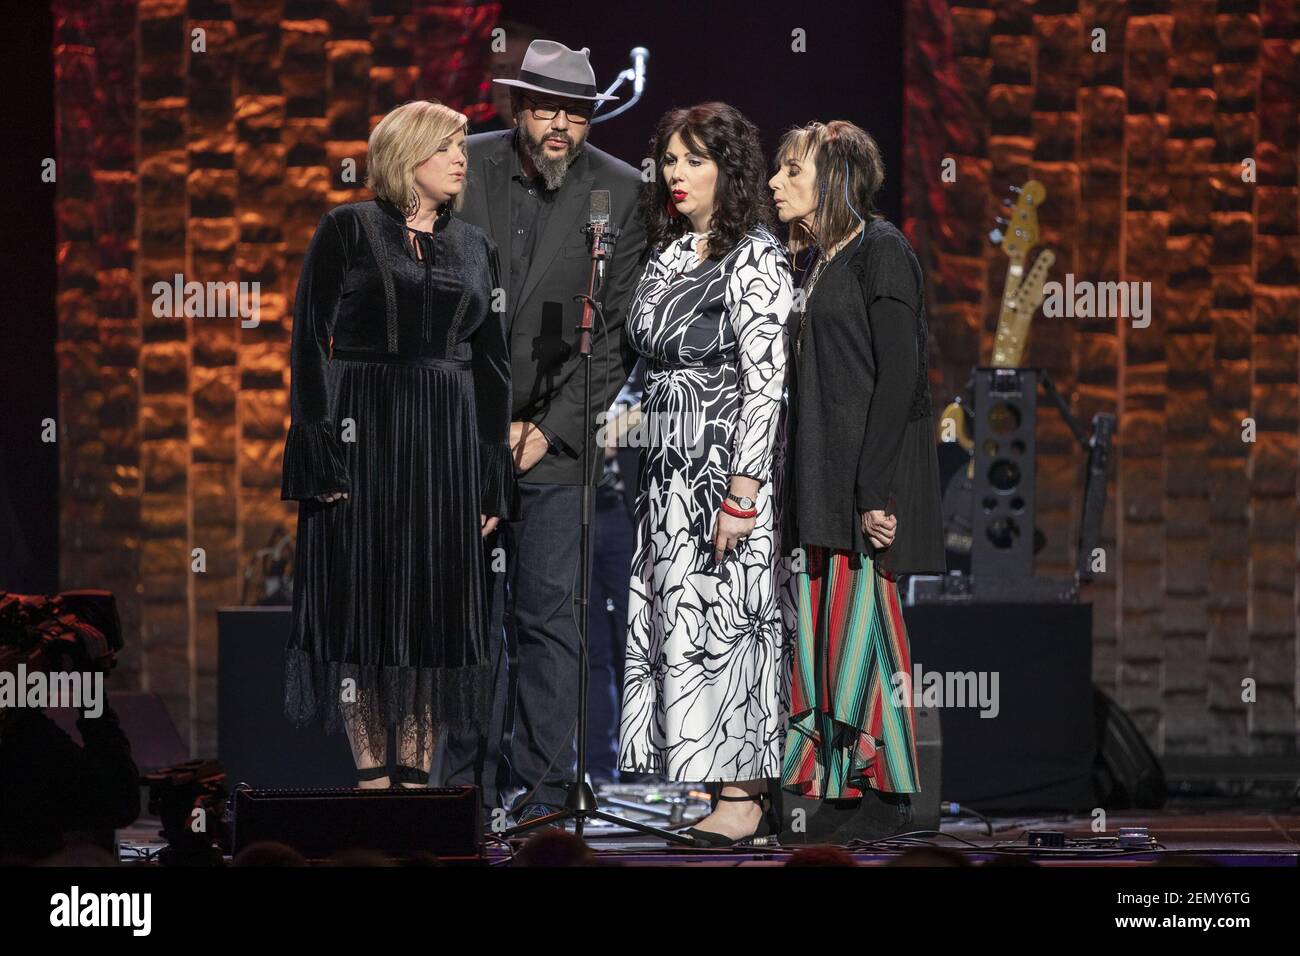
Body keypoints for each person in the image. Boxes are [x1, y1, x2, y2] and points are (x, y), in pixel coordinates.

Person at [438, 40, 646, 824]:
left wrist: (549, 429)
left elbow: (617, 335)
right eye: (549, 109)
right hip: (464, 436)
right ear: (518, 108)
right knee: (466, 616)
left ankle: (545, 793)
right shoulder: (465, 166)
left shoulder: (620, 193)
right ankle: (460, 787)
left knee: (549, 617)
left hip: (559, 446)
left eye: (578, 112)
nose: (562, 125)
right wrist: (483, 430)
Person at [280, 100, 516, 790]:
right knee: (366, 609)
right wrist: (320, 450)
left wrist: (490, 478)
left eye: (464, 148)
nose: (461, 160)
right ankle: (372, 785)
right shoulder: (348, 229)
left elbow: (495, 370)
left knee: (430, 614)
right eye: (448, 147)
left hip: (445, 447)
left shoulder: (477, 247)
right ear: (407, 154)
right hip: (364, 437)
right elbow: (309, 342)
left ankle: (414, 786)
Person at [618, 102, 793, 846]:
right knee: (681, 627)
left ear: (730, 169)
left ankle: (745, 798)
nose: (676, 174)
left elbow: (769, 381)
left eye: (695, 159)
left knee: (731, 625)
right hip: (665, 480)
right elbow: (645, 362)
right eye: (669, 160)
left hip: (723, 478)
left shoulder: (755, 255)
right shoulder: (666, 254)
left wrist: (744, 492)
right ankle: (713, 786)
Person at [768, 120, 945, 821]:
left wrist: (875, 491)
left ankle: (880, 790)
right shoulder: (821, 263)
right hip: (821, 487)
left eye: (792, 171)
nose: (776, 184)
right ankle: (829, 788)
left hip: (862, 489)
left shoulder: (883, 251)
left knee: (865, 633)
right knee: (826, 636)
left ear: (834, 180)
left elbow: (900, 374)